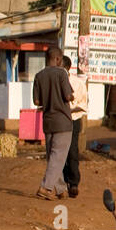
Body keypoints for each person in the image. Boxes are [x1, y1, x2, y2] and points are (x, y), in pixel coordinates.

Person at [32, 48, 73, 200]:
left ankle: (61, 189)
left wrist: (48, 98)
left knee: (54, 156)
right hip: (62, 121)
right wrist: (71, 95)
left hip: (48, 121)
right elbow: (68, 96)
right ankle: (46, 187)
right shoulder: (61, 73)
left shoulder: (39, 75)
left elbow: (37, 101)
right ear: (58, 59)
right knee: (58, 156)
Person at [63, 57, 87, 197]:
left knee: (72, 151)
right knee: (58, 152)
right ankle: (62, 181)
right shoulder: (53, 80)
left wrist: (69, 109)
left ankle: (73, 182)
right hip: (58, 120)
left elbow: (83, 104)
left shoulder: (77, 83)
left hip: (73, 119)